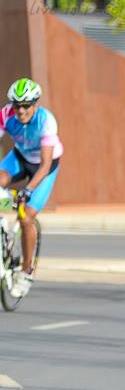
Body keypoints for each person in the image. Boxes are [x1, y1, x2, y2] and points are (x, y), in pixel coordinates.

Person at [0, 78, 63, 298]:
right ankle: (4, 234)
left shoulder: (46, 121)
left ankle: (26, 272)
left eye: (26, 105)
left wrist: (27, 190)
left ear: (36, 104)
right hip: (19, 157)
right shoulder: (6, 114)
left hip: (44, 166)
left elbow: (45, 165)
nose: (21, 110)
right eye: (17, 105)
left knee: (26, 216)